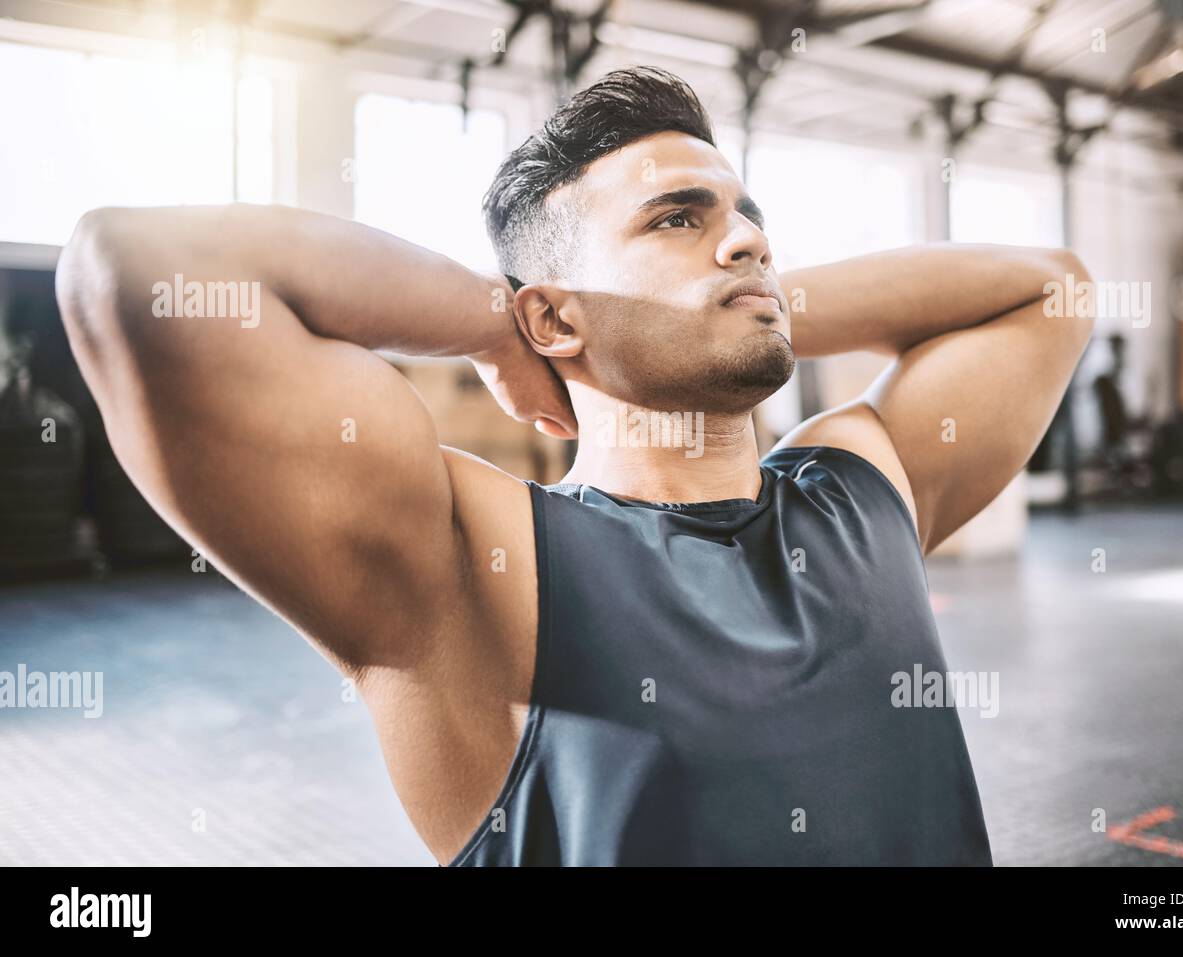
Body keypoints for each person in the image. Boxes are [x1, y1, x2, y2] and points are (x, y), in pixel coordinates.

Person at [54, 66, 1094, 865]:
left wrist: (740, 297)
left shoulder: (859, 485)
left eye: (749, 221)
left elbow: (1051, 292)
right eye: (677, 218)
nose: (743, 241)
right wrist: (492, 326)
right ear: (552, 311)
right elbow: (130, 272)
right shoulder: (478, 565)